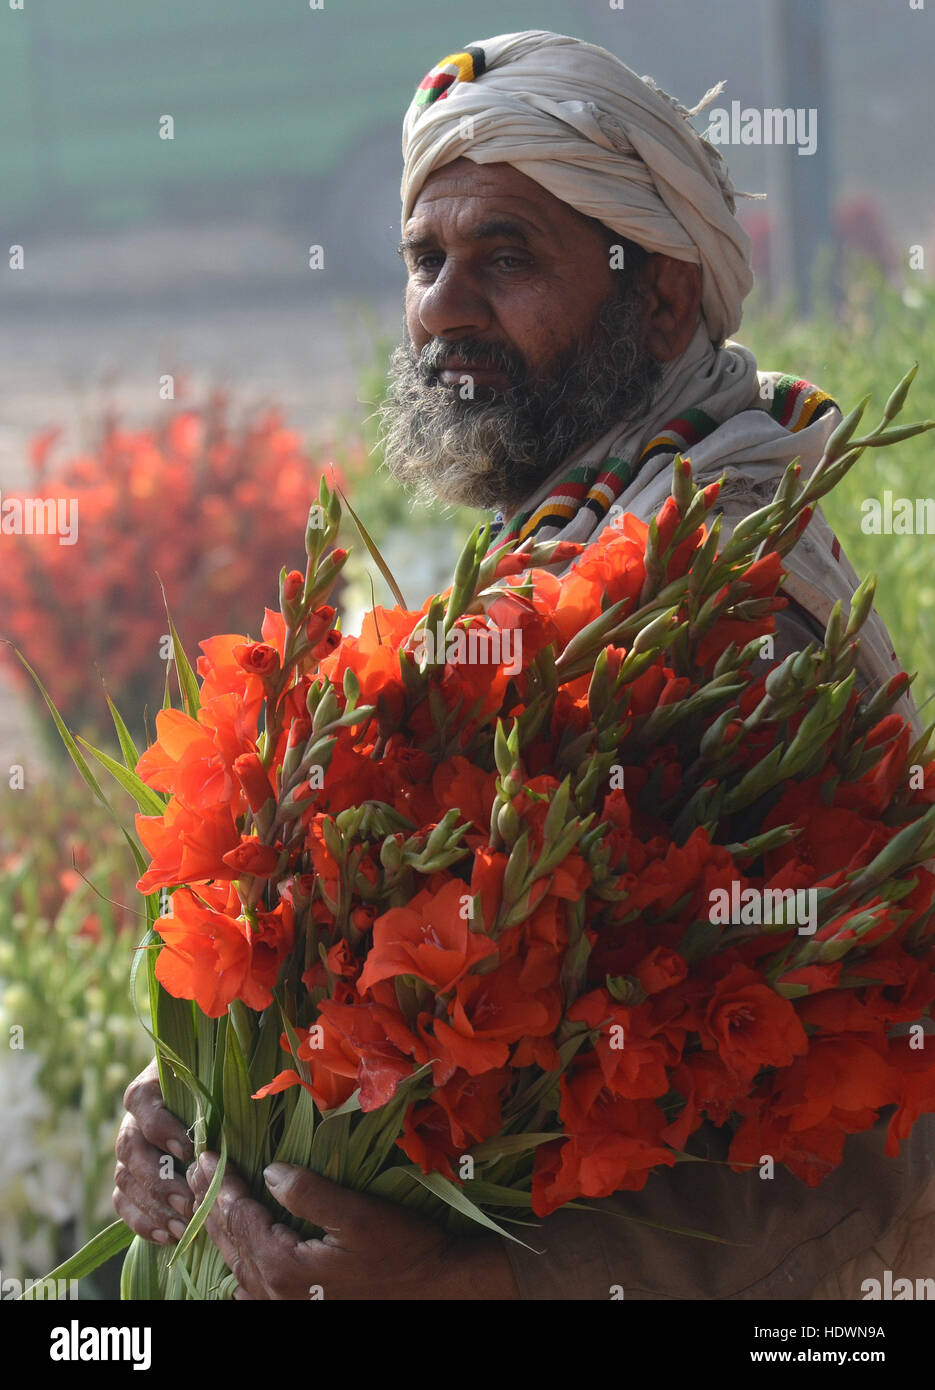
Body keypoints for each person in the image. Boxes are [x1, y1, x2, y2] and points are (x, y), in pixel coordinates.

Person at [113, 30, 934, 1299]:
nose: (443, 302)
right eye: (424, 260)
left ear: (659, 296)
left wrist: (480, 1287)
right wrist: (211, 1091)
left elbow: (864, 1161)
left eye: (505, 258)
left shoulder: (736, 611)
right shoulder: (550, 536)